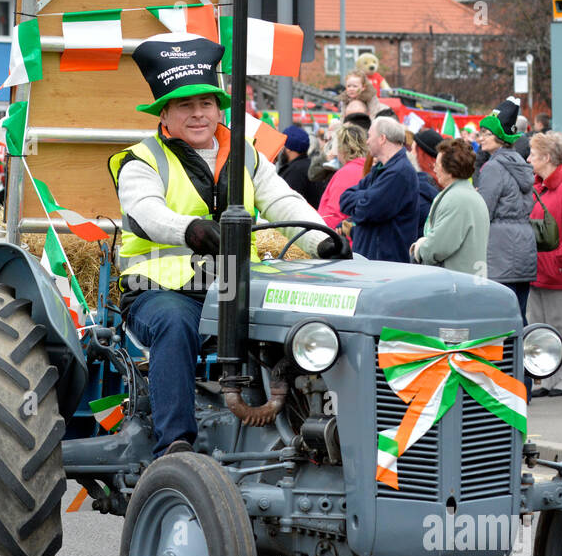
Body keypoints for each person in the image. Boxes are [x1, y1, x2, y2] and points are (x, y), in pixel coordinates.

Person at [109, 33, 348, 457]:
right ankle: (176, 446)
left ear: (219, 108)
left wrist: (323, 240)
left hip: (240, 288)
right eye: (185, 105)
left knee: (310, 323)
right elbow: (145, 211)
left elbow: (285, 201)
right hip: (163, 291)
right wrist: (190, 230)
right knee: (174, 324)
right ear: (164, 112)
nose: (199, 114)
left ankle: (312, 432)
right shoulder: (140, 161)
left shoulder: (247, 154)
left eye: (206, 103)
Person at [525, 131, 562, 397]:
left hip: (559, 272)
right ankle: (548, 379)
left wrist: (560, 260)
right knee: (542, 329)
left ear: (547, 158)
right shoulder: (538, 186)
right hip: (540, 270)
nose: (528, 159)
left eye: (533, 155)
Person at [475, 97, 537, 323]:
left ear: (500, 137)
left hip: (500, 252)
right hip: (524, 251)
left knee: (500, 321)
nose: (481, 138)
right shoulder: (521, 163)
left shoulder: (492, 167)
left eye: (486, 133)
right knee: (519, 318)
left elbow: (483, 212)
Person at [338, 116, 421, 262]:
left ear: (382, 139)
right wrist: (368, 196)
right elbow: (345, 198)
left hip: (385, 265)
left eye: (369, 136)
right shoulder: (381, 169)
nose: (367, 141)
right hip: (371, 259)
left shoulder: (400, 173)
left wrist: (366, 198)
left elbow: (367, 210)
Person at [410, 138, 489, 276]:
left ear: (450, 170)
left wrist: (419, 248)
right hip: (465, 281)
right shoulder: (467, 194)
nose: (434, 168)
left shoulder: (457, 199)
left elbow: (438, 247)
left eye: (438, 164)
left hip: (455, 284)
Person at [317, 123, 369, 230]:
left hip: (339, 239)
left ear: (343, 148)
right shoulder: (366, 168)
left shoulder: (347, 173)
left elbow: (334, 214)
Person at [275, 125, 324, 209]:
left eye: (282, 145)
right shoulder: (308, 165)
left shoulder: (295, 172)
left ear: (288, 148)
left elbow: (286, 205)